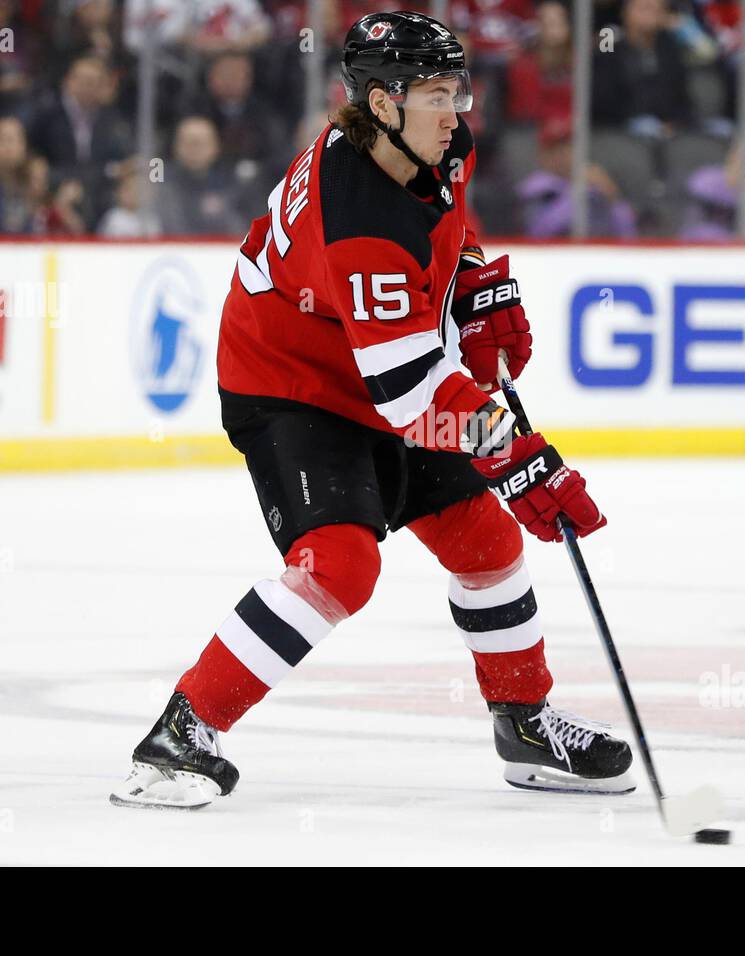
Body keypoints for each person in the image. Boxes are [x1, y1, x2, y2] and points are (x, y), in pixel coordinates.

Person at [111, 11, 630, 810]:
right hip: (291, 382)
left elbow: (446, 232)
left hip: (372, 367)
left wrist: (471, 282)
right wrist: (516, 451)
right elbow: (411, 392)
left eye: (457, 90)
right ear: (381, 104)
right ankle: (180, 732)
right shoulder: (359, 217)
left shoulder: (437, 145)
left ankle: (523, 723)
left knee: (484, 539)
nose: (455, 109)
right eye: (434, 93)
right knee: (341, 565)